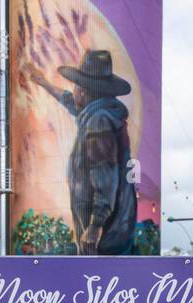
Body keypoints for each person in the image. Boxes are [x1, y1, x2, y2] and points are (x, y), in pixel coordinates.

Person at [25, 49, 138, 255]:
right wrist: (44, 83)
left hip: (103, 237)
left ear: (84, 91)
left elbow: (105, 178)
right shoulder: (98, 112)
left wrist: (95, 226)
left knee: (97, 282)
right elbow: (69, 100)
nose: (73, 89)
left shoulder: (98, 122)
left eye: (76, 85)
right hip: (111, 231)